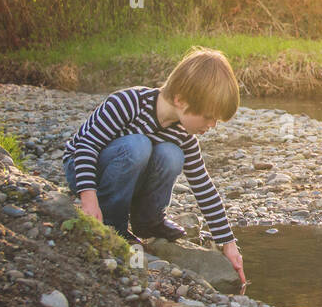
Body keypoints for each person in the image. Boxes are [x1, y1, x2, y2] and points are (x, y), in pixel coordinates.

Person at [61, 46, 246, 285]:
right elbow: (86, 147)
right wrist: (89, 199)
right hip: (85, 168)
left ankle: (147, 220)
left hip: (129, 175)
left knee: (171, 154)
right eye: (209, 117)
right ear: (180, 100)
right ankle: (112, 223)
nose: (212, 125)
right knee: (138, 146)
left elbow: (204, 187)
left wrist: (228, 244)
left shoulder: (184, 135)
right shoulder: (128, 103)